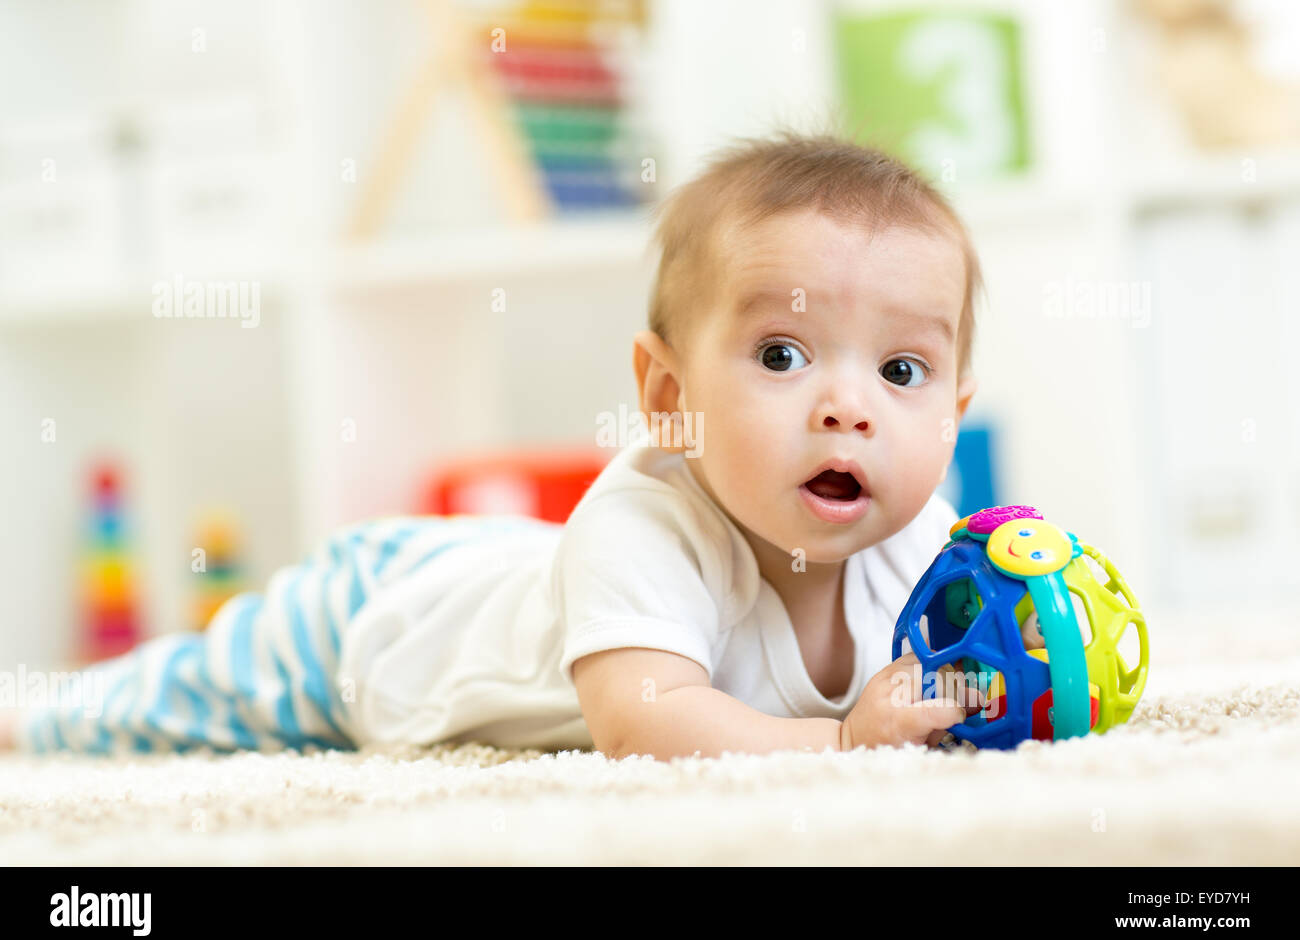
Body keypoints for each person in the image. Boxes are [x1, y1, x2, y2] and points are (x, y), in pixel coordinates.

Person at [1, 128, 996, 761]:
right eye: (782, 353)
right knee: (178, 701)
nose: (846, 407)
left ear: (952, 411)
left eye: (900, 372)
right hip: (375, 620)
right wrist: (837, 743)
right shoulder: (647, 522)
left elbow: (974, 656)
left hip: (513, 571)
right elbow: (643, 719)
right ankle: (31, 714)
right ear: (666, 393)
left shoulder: (926, 546)